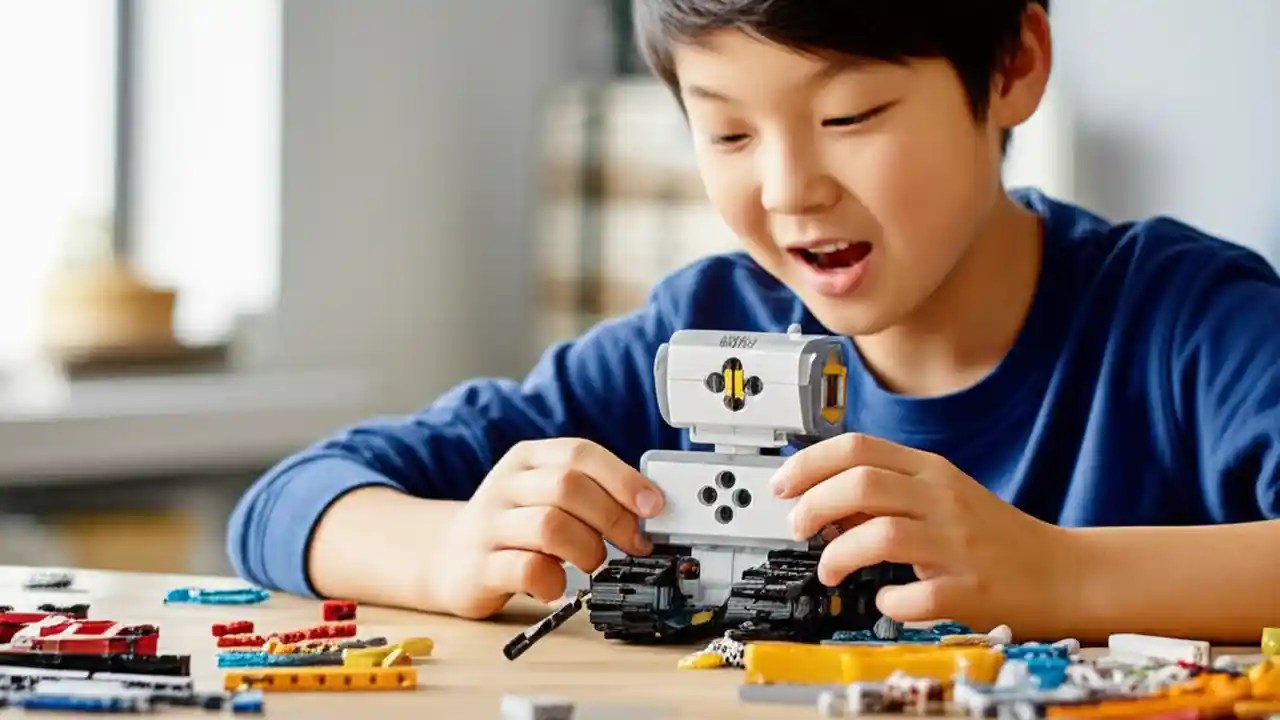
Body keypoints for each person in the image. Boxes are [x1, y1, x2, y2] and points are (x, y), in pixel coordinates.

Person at [226, 0, 1280, 642]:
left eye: (849, 117)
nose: (788, 190)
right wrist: (448, 547)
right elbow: (284, 504)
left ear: (1010, 66)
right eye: (728, 134)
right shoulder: (704, 338)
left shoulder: (1186, 324)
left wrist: (1059, 575)